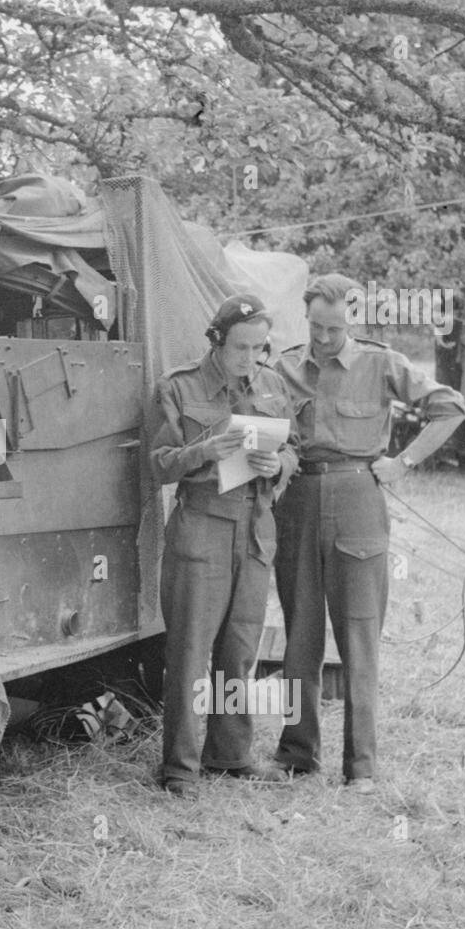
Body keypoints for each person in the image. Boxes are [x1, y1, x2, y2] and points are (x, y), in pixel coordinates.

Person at [272, 274, 465, 793]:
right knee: (299, 636)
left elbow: (450, 408)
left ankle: (360, 766)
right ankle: (296, 754)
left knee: (358, 638)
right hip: (296, 502)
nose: (323, 338)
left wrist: (404, 462)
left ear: (353, 322)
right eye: (316, 326)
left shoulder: (382, 363)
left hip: (359, 500)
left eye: (334, 329)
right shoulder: (285, 365)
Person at [150, 294, 300, 798]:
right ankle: (180, 768)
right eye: (241, 347)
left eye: (260, 348)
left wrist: (279, 466)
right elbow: (155, 463)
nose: (250, 358)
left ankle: (230, 755)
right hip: (202, 526)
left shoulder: (273, 383)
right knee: (191, 651)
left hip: (256, 527)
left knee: (240, 651)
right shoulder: (178, 386)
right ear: (216, 340)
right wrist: (201, 452)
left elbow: (294, 449)